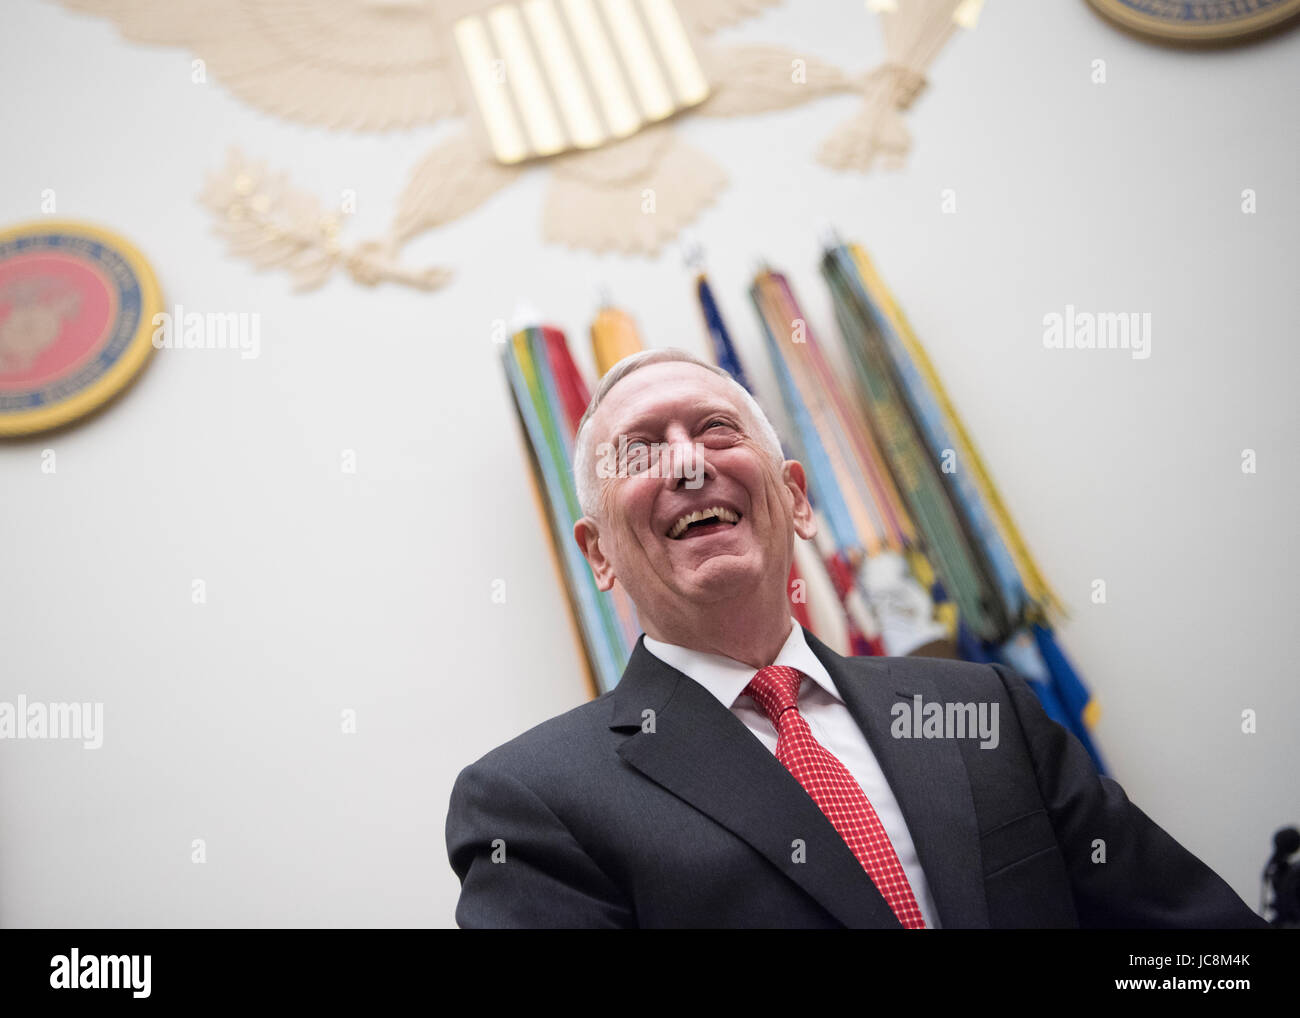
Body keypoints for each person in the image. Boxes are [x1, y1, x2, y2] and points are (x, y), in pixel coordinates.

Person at [445, 348, 1264, 929]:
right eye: (640, 450)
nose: (688, 464)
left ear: (798, 499)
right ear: (598, 556)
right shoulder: (533, 805)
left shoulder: (984, 709)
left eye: (717, 430)